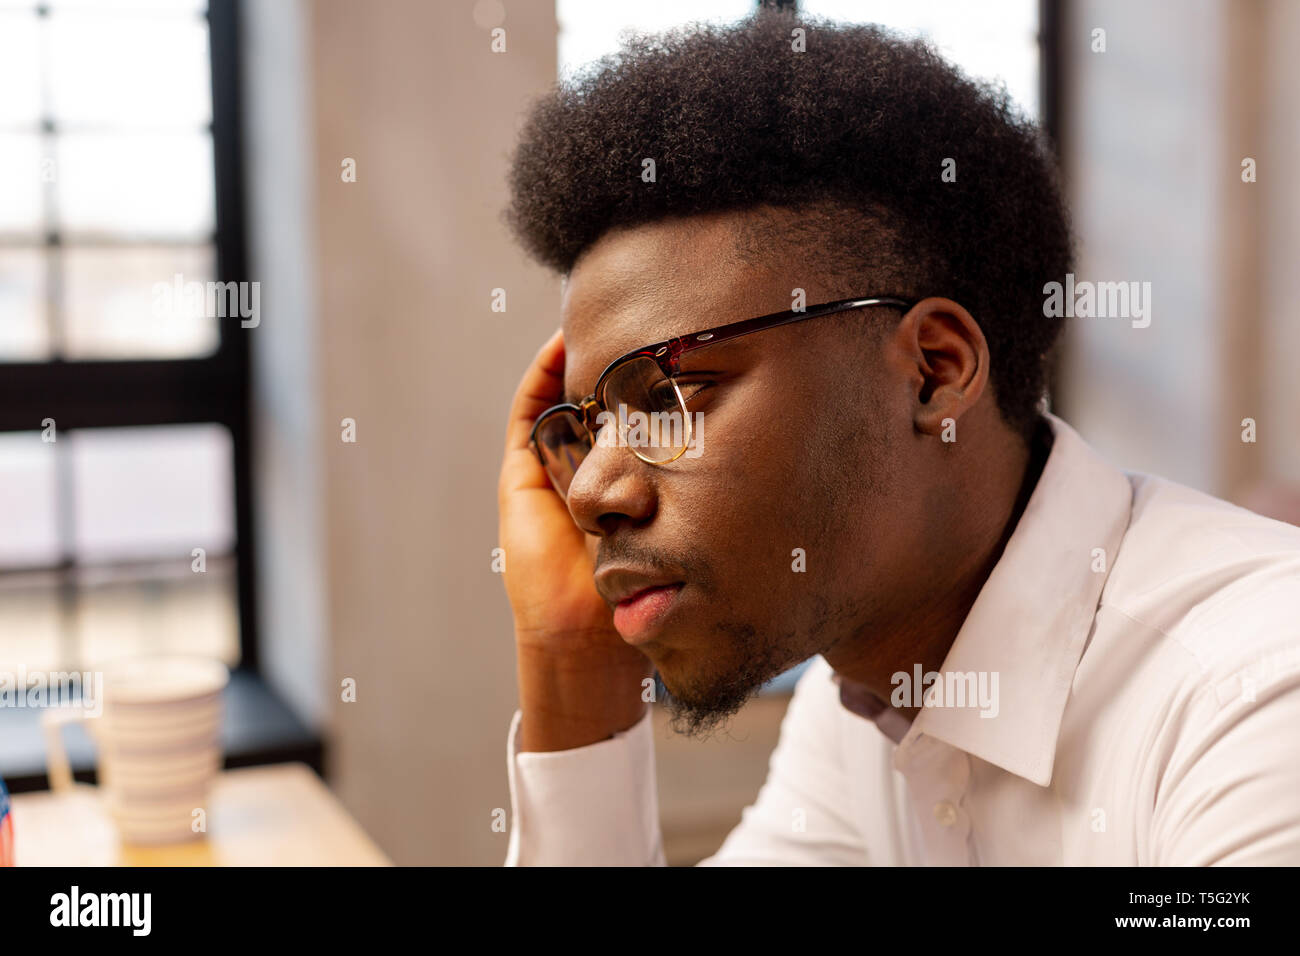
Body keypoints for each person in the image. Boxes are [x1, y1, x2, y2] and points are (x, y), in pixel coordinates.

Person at [495, 10, 1300, 865]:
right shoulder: (861, 700)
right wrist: (571, 667)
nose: (588, 493)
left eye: (671, 394)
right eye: (587, 425)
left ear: (933, 370)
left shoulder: (1252, 694)